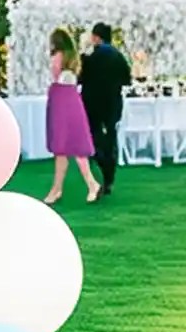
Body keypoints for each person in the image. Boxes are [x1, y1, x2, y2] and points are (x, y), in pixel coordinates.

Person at [44, 29, 103, 205]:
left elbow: (55, 74)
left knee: (63, 147)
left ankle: (80, 186)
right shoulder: (73, 58)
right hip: (71, 100)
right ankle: (61, 188)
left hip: (61, 101)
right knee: (70, 148)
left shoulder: (59, 57)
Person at [79, 22, 132, 196]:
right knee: (110, 137)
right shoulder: (118, 56)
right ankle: (109, 175)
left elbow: (81, 77)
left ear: (96, 37)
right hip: (113, 103)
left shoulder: (91, 56)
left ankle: (101, 164)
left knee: (94, 137)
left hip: (93, 103)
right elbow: (127, 79)